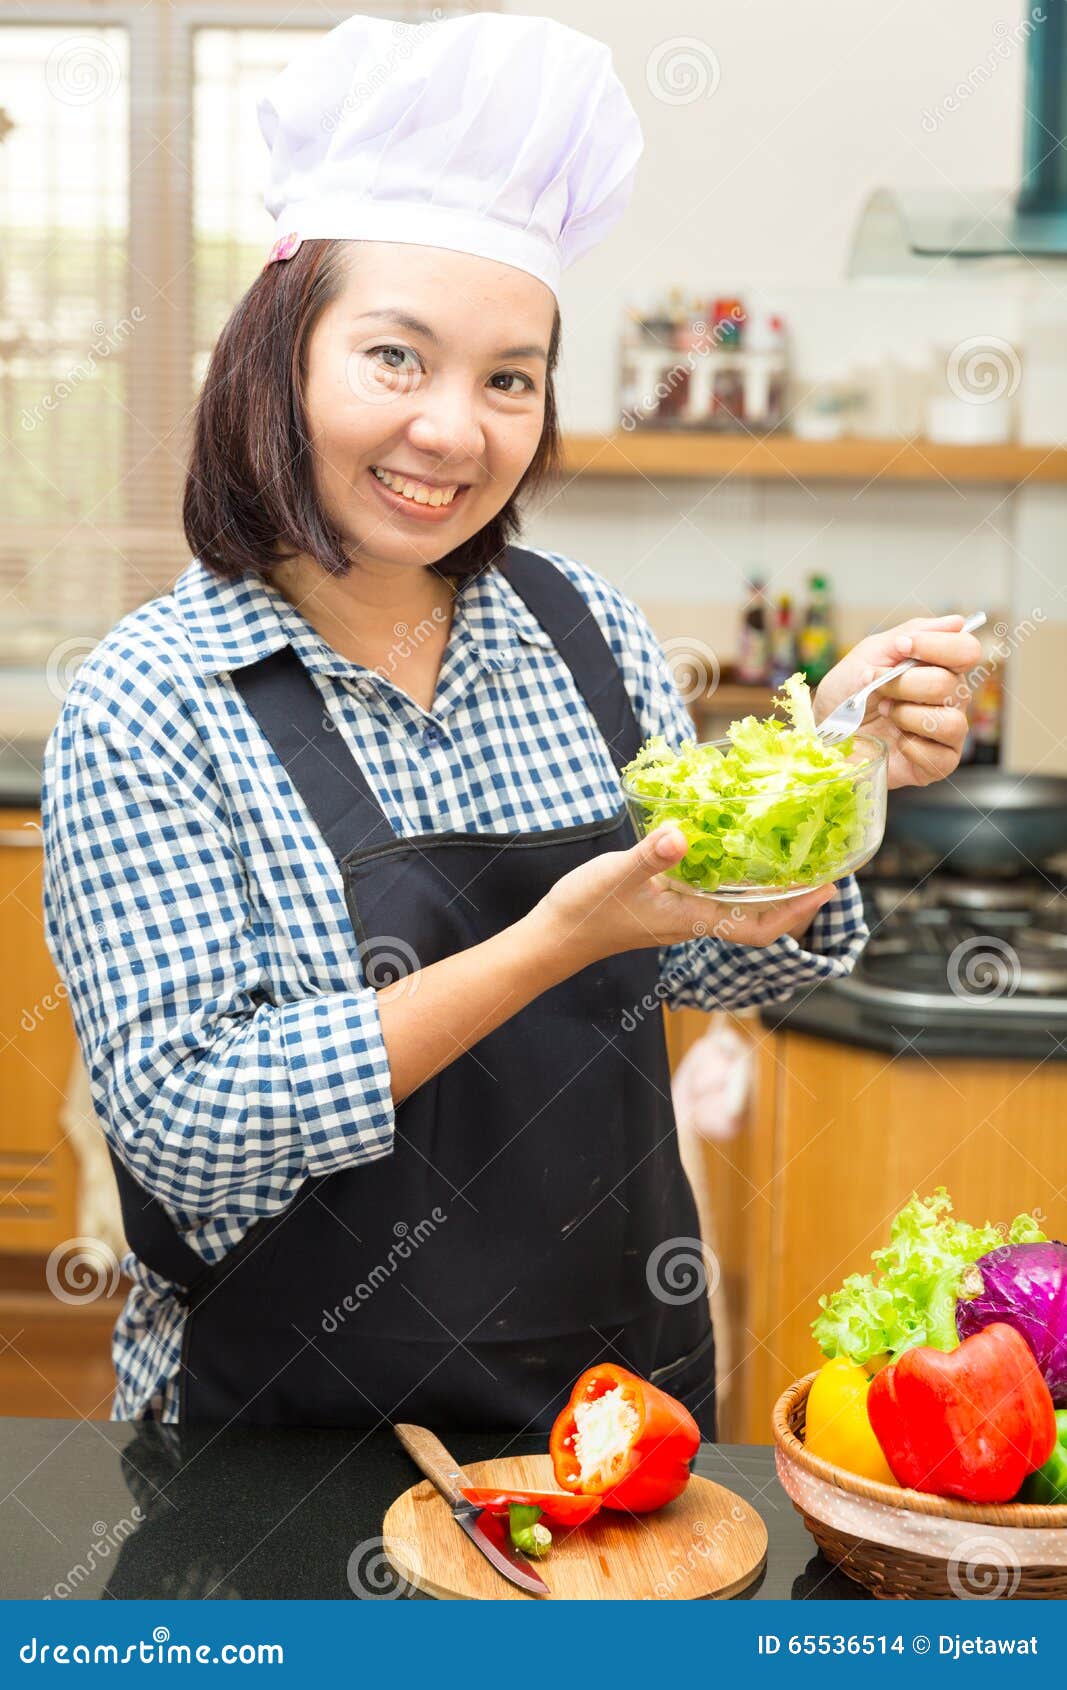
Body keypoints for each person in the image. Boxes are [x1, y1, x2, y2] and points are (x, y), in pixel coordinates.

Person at [41, 13, 980, 1433]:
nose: (453, 431)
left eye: (509, 379)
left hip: (615, 1425)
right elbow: (193, 1132)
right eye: (396, 359)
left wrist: (829, 766)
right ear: (280, 359)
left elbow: (712, 963)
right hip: (291, 1448)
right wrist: (553, 939)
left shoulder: (583, 627)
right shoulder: (154, 700)